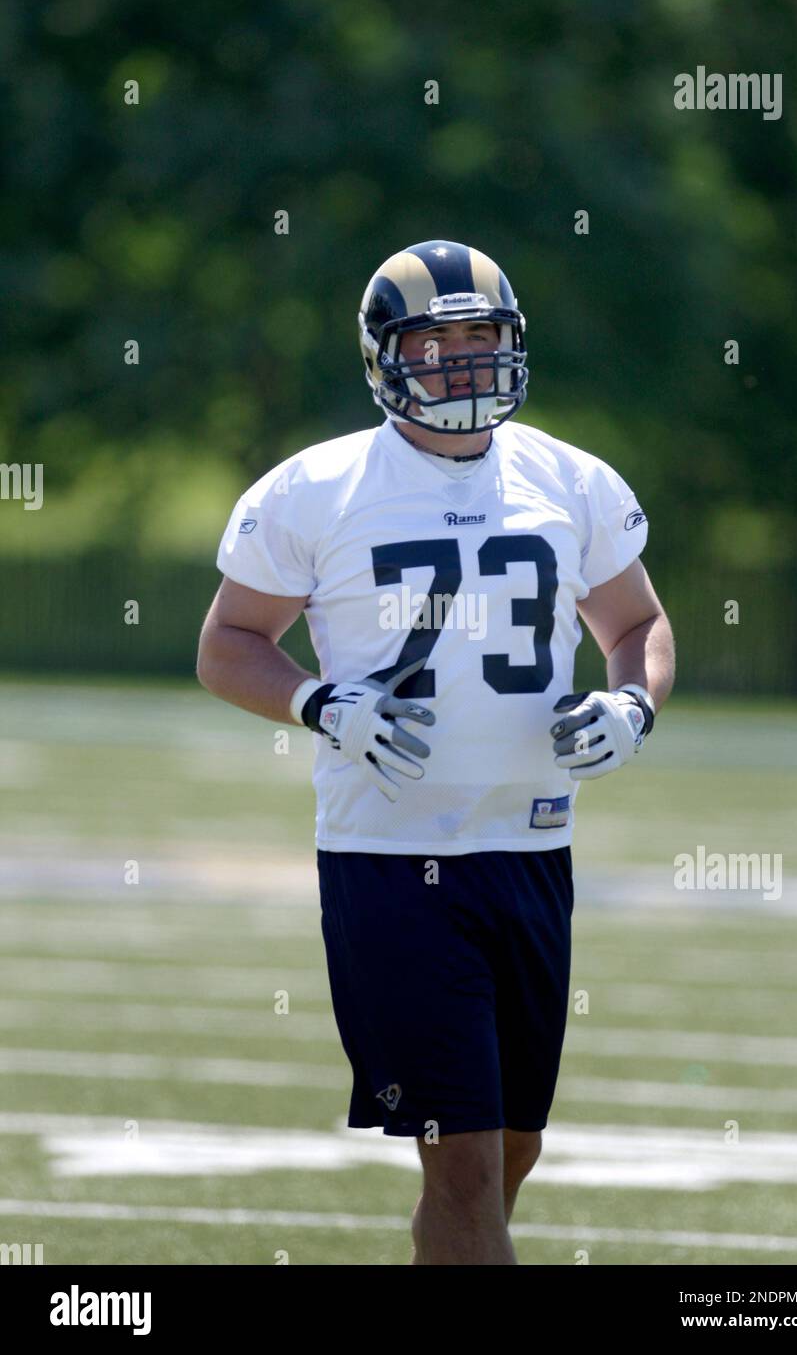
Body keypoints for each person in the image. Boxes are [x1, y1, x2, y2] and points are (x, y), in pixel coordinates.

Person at [197, 239, 675, 1264]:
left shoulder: (569, 478)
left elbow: (637, 624)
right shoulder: (316, 487)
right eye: (435, 340)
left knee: (507, 1150)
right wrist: (319, 702)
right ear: (383, 355)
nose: (460, 362)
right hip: (389, 864)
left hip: (532, 849)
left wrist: (631, 704)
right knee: (458, 1167)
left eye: (479, 338)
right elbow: (228, 646)